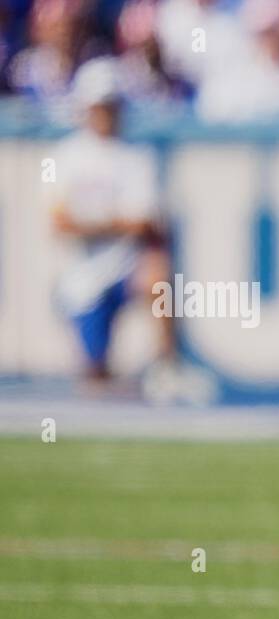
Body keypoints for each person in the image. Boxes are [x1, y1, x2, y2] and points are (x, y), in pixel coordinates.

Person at [50, 57, 172, 382]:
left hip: (124, 267)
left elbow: (145, 222)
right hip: (83, 275)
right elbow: (60, 221)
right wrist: (115, 219)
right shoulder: (67, 155)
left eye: (110, 105)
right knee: (95, 371)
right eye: (99, 106)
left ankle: (165, 364)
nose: (105, 113)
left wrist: (91, 219)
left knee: (156, 273)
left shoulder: (136, 155)